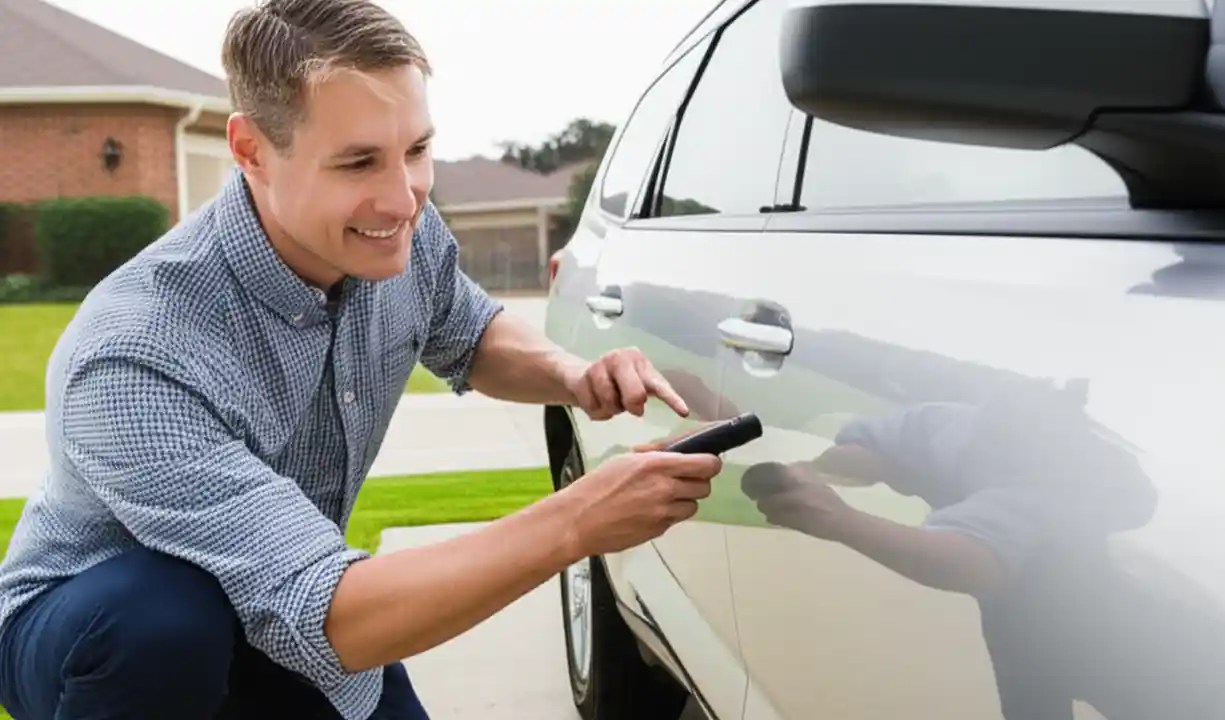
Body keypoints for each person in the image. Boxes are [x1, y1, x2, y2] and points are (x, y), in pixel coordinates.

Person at [0, 1, 722, 718]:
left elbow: (468, 331)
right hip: (95, 634)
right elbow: (325, 611)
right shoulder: (134, 358)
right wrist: (578, 521)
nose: (403, 196)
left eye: (416, 149)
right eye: (358, 162)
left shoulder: (390, 231)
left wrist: (571, 376)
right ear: (251, 150)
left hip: (279, 592)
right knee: (163, 617)